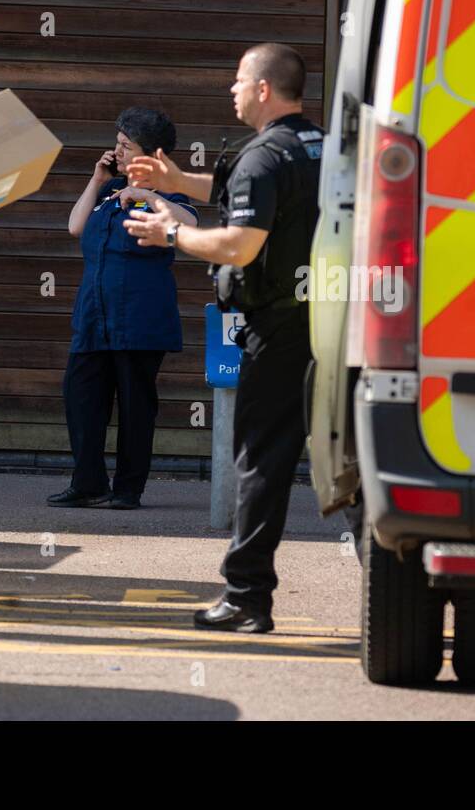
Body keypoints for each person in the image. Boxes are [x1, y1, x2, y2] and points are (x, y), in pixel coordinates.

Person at [124, 43, 322, 633]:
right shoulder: (321, 147)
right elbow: (251, 191)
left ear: (264, 89)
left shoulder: (264, 157)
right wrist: (178, 179)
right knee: (352, 466)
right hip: (334, 323)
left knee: (261, 462)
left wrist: (172, 234)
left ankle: (246, 597)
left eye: (238, 80)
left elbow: (240, 245)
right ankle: (391, 593)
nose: (231, 90)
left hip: (280, 330)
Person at [47, 108, 197, 509]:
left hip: (139, 320)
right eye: (117, 142)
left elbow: (190, 226)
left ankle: (128, 489)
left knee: (134, 406)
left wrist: (146, 195)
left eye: (125, 145)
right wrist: (97, 179)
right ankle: (88, 482)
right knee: (81, 399)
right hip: (95, 317)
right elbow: (75, 227)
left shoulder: (169, 195)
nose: (117, 151)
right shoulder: (108, 191)